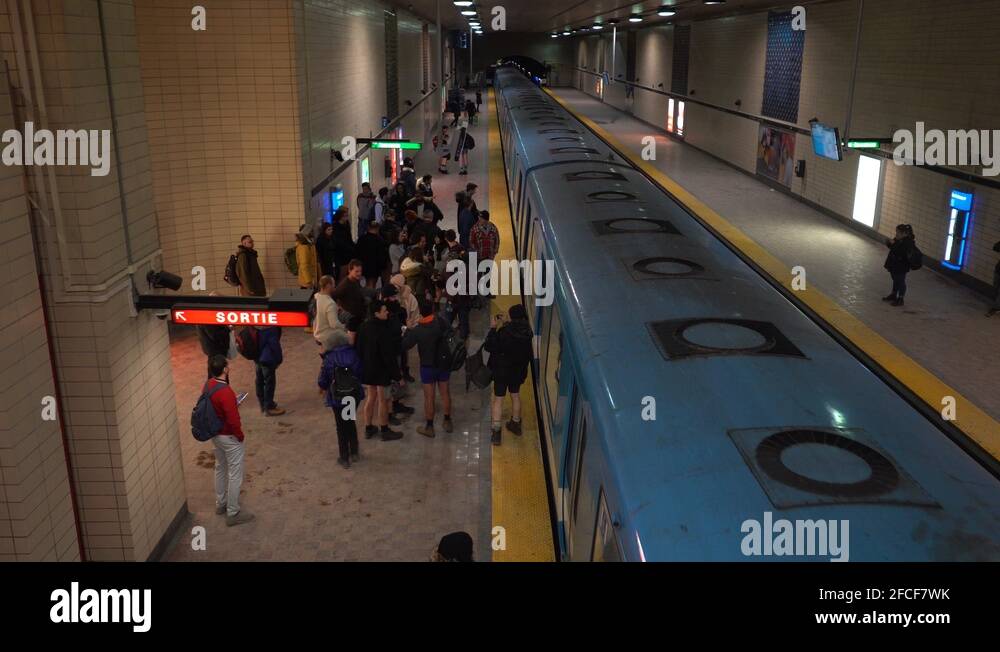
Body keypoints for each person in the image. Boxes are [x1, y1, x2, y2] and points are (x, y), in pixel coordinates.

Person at [205, 355, 254, 526]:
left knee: (220, 467)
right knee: (235, 473)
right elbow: (233, 420)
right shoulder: (226, 392)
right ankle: (232, 512)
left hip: (215, 435)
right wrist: (240, 436)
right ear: (225, 369)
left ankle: (221, 503)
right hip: (228, 436)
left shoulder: (209, 385)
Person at [402, 300, 454, 438]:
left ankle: (429, 427)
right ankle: (447, 421)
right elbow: (451, 332)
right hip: (443, 364)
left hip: (427, 367)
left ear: (420, 313)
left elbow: (405, 345)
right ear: (432, 309)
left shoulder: (418, 330)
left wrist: (407, 329)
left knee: (429, 397)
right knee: (445, 393)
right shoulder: (441, 322)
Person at [484, 305, 533, 446]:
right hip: (517, 372)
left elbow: (489, 346)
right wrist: (507, 323)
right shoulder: (528, 332)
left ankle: (496, 433)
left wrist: (493, 328)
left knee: (498, 399)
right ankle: (515, 424)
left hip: (502, 372)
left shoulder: (504, 332)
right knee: (515, 395)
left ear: (512, 317)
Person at [356, 300, 404, 441]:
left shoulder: (363, 327)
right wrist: (398, 375)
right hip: (382, 371)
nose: (387, 312)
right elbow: (388, 356)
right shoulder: (384, 330)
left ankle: (368, 428)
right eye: (384, 311)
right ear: (377, 313)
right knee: (383, 400)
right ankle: (384, 429)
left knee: (371, 398)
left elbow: (358, 349)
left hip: (368, 369)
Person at [317, 325, 362, 469]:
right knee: (350, 421)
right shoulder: (354, 354)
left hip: (337, 397)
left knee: (340, 426)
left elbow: (323, 380)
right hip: (353, 395)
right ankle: (354, 452)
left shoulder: (329, 358)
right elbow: (360, 372)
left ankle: (344, 457)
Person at [469, 210, 500, 304]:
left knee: (487, 275)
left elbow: (497, 240)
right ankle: (474, 295)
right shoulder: (475, 229)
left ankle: (486, 292)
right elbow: (471, 241)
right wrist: (477, 252)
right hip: (479, 257)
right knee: (477, 275)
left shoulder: (493, 228)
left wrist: (494, 252)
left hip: (489, 257)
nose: (479, 219)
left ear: (485, 219)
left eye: (481, 218)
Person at [882, 224, 917, 307]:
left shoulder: (908, 243)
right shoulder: (898, 239)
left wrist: (893, 244)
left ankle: (901, 298)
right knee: (895, 279)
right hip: (894, 264)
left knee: (900, 281)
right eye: (896, 232)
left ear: (904, 233)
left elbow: (901, 253)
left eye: (898, 232)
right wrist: (888, 243)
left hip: (901, 266)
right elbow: (893, 248)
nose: (896, 234)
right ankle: (894, 294)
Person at [255, 325, 285, 416]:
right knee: (269, 382)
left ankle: (262, 405)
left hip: (257, 357)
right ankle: (269, 407)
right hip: (268, 358)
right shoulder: (271, 328)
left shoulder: (255, 325)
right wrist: (279, 359)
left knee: (259, 380)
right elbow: (274, 344)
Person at [314, 275, 349, 346]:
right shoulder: (330, 303)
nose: (335, 286)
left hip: (317, 333)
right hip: (327, 336)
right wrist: (345, 328)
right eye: (333, 284)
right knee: (352, 338)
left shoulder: (317, 297)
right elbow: (334, 324)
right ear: (328, 286)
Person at [355, 220, 390, 289]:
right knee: (372, 284)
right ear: (377, 228)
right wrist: (383, 266)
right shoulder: (379, 240)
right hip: (374, 266)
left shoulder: (361, 238)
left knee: (368, 283)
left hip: (363, 264)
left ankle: (365, 296)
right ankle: (368, 298)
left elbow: (357, 252)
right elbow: (381, 255)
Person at [197, 312, 230, 378]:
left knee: (217, 375)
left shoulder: (204, 315)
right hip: (215, 351)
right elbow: (215, 335)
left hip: (214, 350)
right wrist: (228, 328)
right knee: (217, 375)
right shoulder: (206, 317)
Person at [331, 206, 355, 280]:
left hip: (348, 252)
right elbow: (338, 241)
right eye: (345, 216)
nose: (347, 217)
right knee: (342, 274)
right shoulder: (335, 226)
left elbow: (349, 237)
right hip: (340, 254)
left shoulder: (346, 224)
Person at [295, 224, 320, 291]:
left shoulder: (309, 244)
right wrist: (308, 281)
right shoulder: (304, 246)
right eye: (311, 231)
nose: (312, 232)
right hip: (307, 282)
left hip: (311, 279)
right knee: (307, 299)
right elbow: (304, 265)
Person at [988, 240, 1000, 317]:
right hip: (999, 270)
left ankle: (996, 308)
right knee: (995, 288)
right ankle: (996, 306)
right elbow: (995, 247)